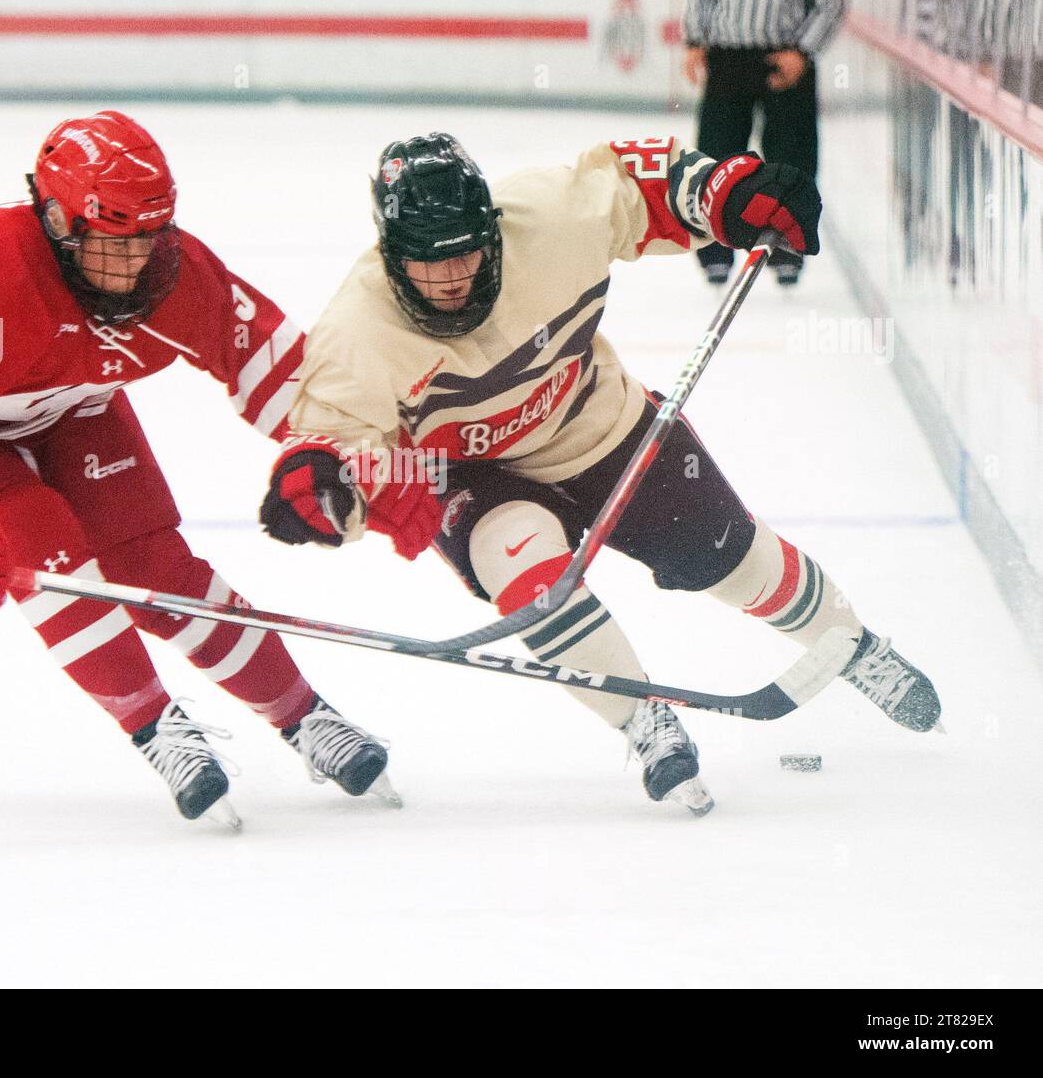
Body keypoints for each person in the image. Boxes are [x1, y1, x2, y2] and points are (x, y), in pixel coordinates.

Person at [259, 132, 942, 817]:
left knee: (731, 557)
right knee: (527, 569)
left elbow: (646, 183)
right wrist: (322, 490)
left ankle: (855, 646)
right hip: (471, 473)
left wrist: (726, 191)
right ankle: (640, 715)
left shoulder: (548, 215)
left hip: (596, 423)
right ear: (388, 252)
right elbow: (334, 446)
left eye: (467, 250)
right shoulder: (355, 332)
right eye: (426, 262)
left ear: (494, 228)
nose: (453, 277)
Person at [0, 110, 396, 829]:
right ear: (59, 222)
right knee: (38, 537)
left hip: (60, 401)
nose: (136, 265)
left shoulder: (174, 270)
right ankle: (159, 728)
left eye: (151, 236)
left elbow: (292, 378)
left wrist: (333, 455)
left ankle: (305, 716)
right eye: (113, 241)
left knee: (154, 563)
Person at [683, 0, 848, 285]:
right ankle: (714, 248)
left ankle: (788, 248)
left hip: (787, 54)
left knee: (793, 155)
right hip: (727, 53)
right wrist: (695, 39)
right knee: (716, 154)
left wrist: (803, 48)